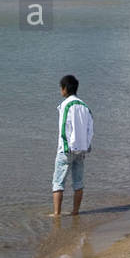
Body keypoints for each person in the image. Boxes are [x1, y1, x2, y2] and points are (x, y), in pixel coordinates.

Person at [52, 74, 93, 217]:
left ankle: (56, 213)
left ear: (64, 89)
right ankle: (75, 211)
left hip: (66, 149)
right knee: (78, 182)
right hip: (81, 149)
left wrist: (65, 145)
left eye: (61, 88)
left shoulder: (65, 105)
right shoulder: (85, 106)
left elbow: (64, 127)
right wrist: (86, 146)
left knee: (58, 182)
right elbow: (90, 128)